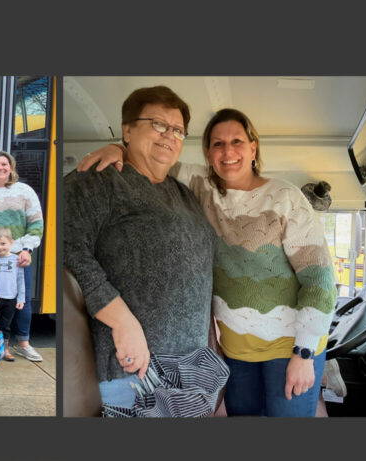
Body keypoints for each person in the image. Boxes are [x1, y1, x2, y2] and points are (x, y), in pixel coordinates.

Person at [79, 107, 337, 417]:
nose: (228, 151)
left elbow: (319, 281)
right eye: (218, 144)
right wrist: (117, 149)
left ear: (253, 147)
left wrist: (305, 354)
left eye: (237, 142)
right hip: (237, 351)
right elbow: (151, 158)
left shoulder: (285, 197)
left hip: (290, 346)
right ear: (208, 152)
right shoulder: (199, 185)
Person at [63, 86, 216, 413]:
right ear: (128, 130)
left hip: (194, 369)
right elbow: (68, 248)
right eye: (158, 124)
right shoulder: (98, 179)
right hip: (133, 370)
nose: (169, 135)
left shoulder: (185, 193)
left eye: (177, 130)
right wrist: (121, 321)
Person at [0, 151, 45, 362]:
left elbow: (36, 224)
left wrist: (27, 249)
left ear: (11, 168)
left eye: (4, 164)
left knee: (20, 300)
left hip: (17, 256)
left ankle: (23, 343)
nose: (0, 168)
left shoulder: (25, 191)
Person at [0, 227, 25, 362]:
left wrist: (21, 298)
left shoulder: (17, 260)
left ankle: (5, 349)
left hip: (10, 298)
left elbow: (21, 280)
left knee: (5, 326)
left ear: (11, 243)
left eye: (3, 244)